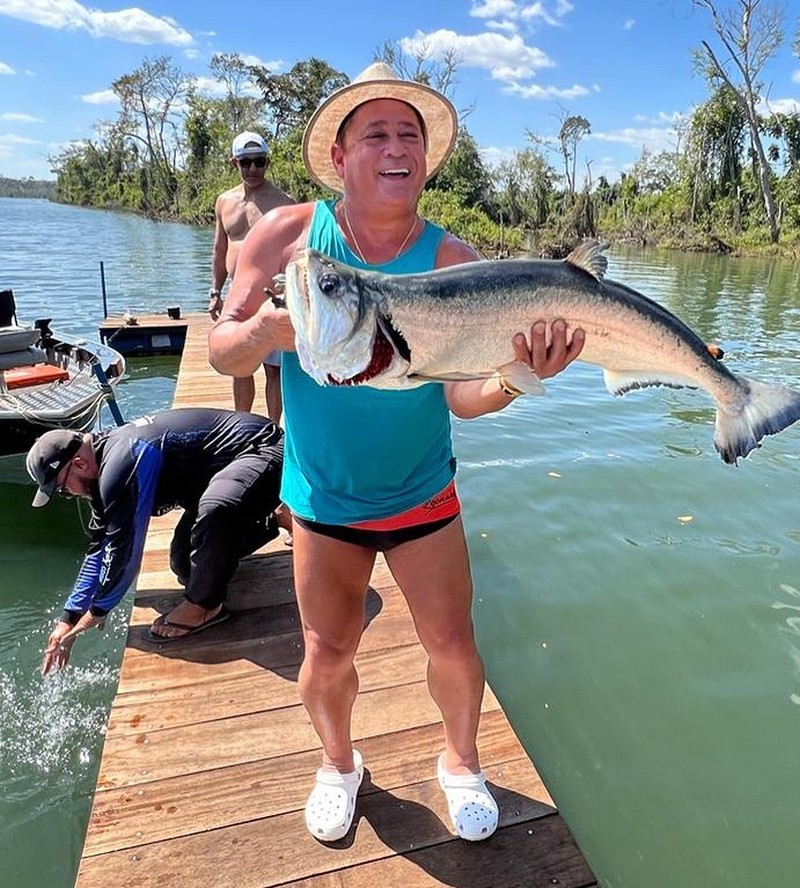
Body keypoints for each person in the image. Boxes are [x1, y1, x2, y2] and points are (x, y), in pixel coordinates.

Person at [208, 62, 585, 843]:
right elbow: (221, 354)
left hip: (422, 495)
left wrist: (518, 378)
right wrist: (266, 333)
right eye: (374, 132)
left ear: (426, 158)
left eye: (408, 134)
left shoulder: (456, 261)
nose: (394, 147)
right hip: (322, 499)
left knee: (453, 643)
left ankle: (461, 764)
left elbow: (462, 399)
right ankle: (338, 767)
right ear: (338, 157)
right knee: (325, 650)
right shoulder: (284, 236)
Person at [27, 409, 286, 674]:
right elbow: (99, 549)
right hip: (227, 474)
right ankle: (270, 519)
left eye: (63, 489)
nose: (69, 494)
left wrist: (96, 613)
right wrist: (68, 618)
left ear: (80, 464)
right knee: (185, 563)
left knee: (216, 509)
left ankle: (205, 608)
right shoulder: (103, 470)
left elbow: (125, 554)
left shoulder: (122, 462)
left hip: (266, 451)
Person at [207, 131, 295, 424]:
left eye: (260, 162)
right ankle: (240, 427)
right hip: (236, 292)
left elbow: (294, 255)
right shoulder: (224, 202)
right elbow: (220, 249)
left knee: (274, 369)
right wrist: (215, 291)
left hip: (270, 292)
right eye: (246, 163)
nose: (254, 169)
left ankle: (272, 429)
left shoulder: (284, 202)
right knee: (239, 365)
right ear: (235, 163)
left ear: (268, 162)